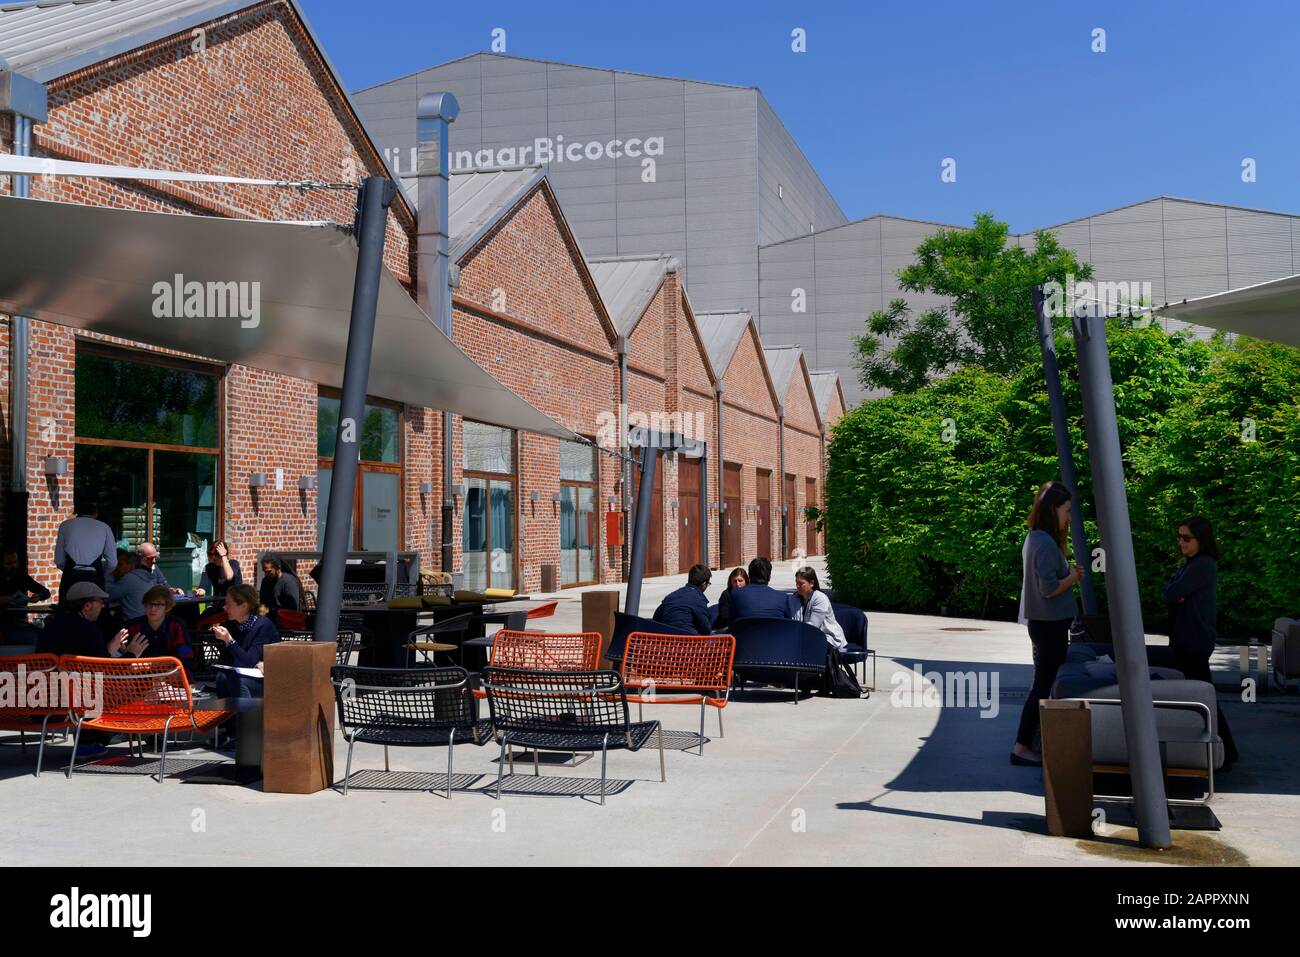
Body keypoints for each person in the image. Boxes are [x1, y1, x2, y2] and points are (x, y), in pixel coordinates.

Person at [1012, 481, 1084, 767]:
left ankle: (1028, 743)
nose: (1068, 517)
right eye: (1066, 510)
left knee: (1042, 684)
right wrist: (1074, 577)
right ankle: (1021, 746)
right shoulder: (1043, 541)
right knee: (1042, 685)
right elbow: (1049, 588)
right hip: (1049, 625)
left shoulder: (1037, 538)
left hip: (1048, 624)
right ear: (1053, 508)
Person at [1164, 516, 1238, 770]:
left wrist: (1176, 594)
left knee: (1203, 698)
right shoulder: (1192, 563)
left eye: (1186, 538)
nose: (1181, 542)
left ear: (1200, 539)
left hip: (1194, 640)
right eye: (1179, 536)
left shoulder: (1203, 565)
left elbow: (1172, 592)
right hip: (1188, 639)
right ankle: (1224, 752)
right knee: (1201, 696)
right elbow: (1171, 592)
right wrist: (1175, 594)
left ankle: (1226, 753)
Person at [211, 584, 279, 699]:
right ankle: (228, 716)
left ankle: (246, 716)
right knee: (221, 677)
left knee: (237, 680)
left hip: (268, 679)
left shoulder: (263, 626)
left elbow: (249, 662)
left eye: (229, 604)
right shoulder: (232, 624)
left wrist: (229, 640)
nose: (224, 607)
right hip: (245, 673)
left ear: (244, 606)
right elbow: (228, 659)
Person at [37, 581, 128, 658]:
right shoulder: (90, 630)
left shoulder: (50, 626)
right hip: (79, 678)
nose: (103, 606)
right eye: (101, 601)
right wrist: (131, 653)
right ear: (87, 606)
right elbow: (101, 670)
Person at [123, 586, 194, 675]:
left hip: (170, 675)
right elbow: (124, 663)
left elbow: (186, 657)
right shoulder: (134, 626)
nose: (152, 609)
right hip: (141, 679)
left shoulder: (175, 625)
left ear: (167, 607)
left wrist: (150, 665)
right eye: (149, 604)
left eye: (159, 604)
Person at [53, 504, 116, 600]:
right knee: (96, 611)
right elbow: (112, 562)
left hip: (71, 576)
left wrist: (68, 569)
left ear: (77, 513)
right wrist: (102, 573)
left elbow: (59, 560)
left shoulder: (65, 525)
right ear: (95, 513)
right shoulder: (104, 527)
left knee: (68, 610)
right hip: (95, 577)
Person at [0, 546, 52, 644]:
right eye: (8, 564)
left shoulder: (20, 576)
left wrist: (39, 596)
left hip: (18, 621)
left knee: (42, 635)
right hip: (3, 622)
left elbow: (46, 592)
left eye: (16, 562)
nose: (13, 566)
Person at [792, 566, 846, 650]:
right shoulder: (795, 598)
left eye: (801, 583)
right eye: (796, 583)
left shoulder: (820, 598)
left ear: (812, 583)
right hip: (806, 637)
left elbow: (813, 627)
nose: (798, 586)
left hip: (828, 638)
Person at [653, 564, 713, 634]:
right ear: (703, 584)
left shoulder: (671, 596)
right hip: (688, 641)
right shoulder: (699, 600)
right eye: (708, 584)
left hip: (666, 639)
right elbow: (707, 629)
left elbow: (656, 619)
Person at [728, 557, 793, 620]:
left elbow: (730, 622)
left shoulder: (735, 594)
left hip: (746, 631)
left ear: (749, 576)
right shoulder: (783, 598)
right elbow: (788, 624)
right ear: (769, 577)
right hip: (773, 630)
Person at [258, 553, 302, 624]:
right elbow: (263, 603)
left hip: (285, 620)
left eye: (269, 571)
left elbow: (292, 609)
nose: (266, 574)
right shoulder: (265, 581)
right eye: (265, 572)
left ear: (278, 567)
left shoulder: (288, 582)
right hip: (269, 619)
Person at [713, 566, 749, 631]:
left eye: (740, 581)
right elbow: (724, 616)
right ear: (730, 582)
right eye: (735, 581)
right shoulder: (726, 595)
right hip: (726, 627)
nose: (737, 584)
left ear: (746, 581)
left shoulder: (750, 594)